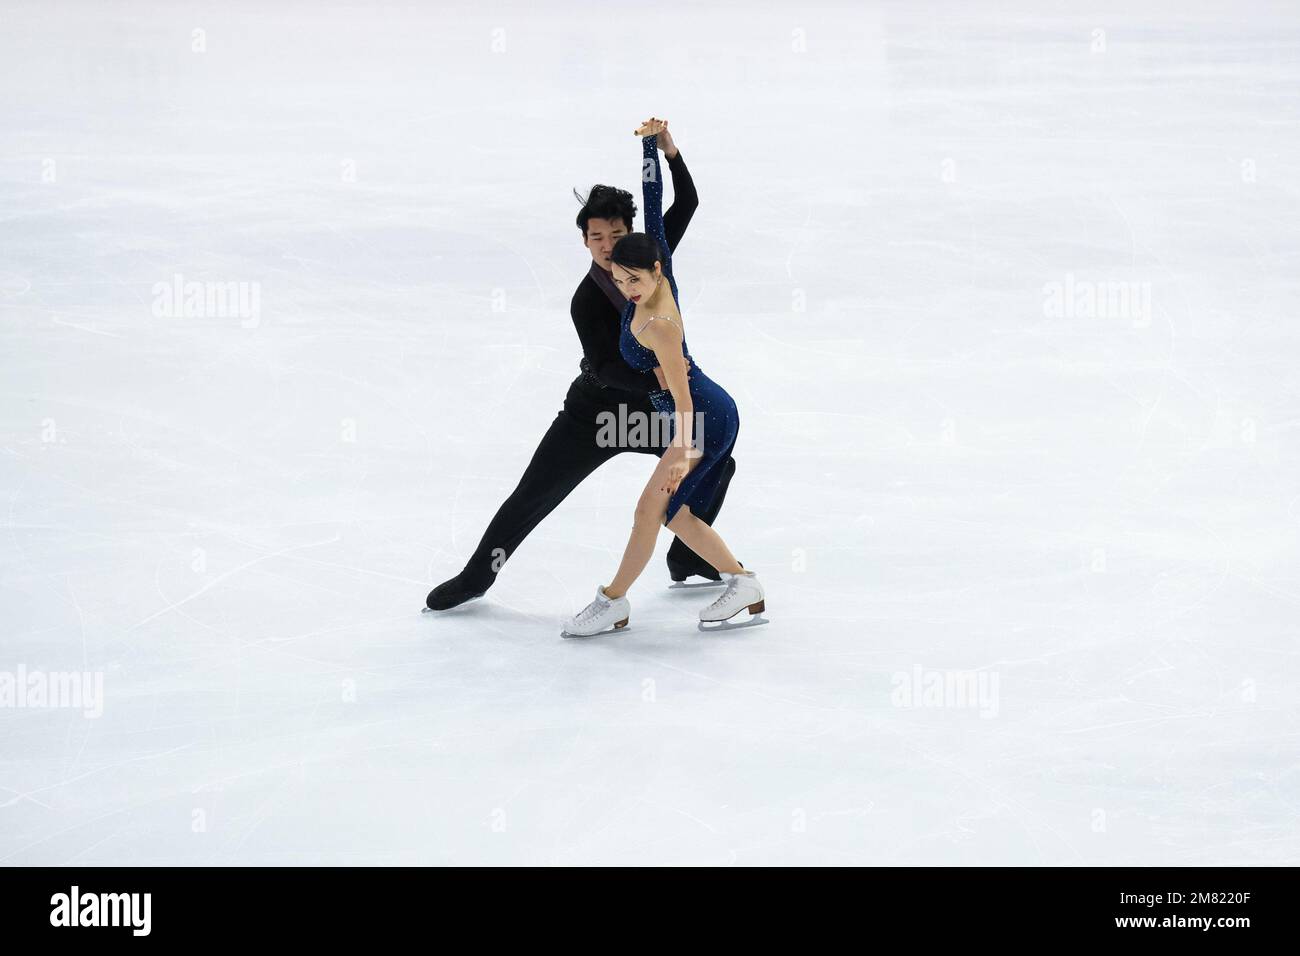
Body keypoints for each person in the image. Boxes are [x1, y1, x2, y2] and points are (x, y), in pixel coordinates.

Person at [426, 117, 736, 612]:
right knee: (534, 492)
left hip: (648, 412)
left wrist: (670, 153)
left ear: (630, 233)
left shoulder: (653, 261)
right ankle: (476, 576)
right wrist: (658, 374)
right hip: (596, 415)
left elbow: (688, 204)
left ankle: (689, 556)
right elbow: (606, 367)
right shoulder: (585, 301)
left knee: (716, 459)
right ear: (585, 241)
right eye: (598, 237)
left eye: (616, 233)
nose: (608, 245)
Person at [562, 119, 765, 637]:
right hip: (686, 414)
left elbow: (683, 402)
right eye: (621, 279)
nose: (627, 287)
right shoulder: (656, 271)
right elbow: (653, 203)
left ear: (658, 269)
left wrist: (679, 457)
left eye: (636, 278)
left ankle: (613, 600)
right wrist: (656, 146)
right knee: (673, 514)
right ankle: (742, 582)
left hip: (698, 417)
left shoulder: (661, 324)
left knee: (652, 509)